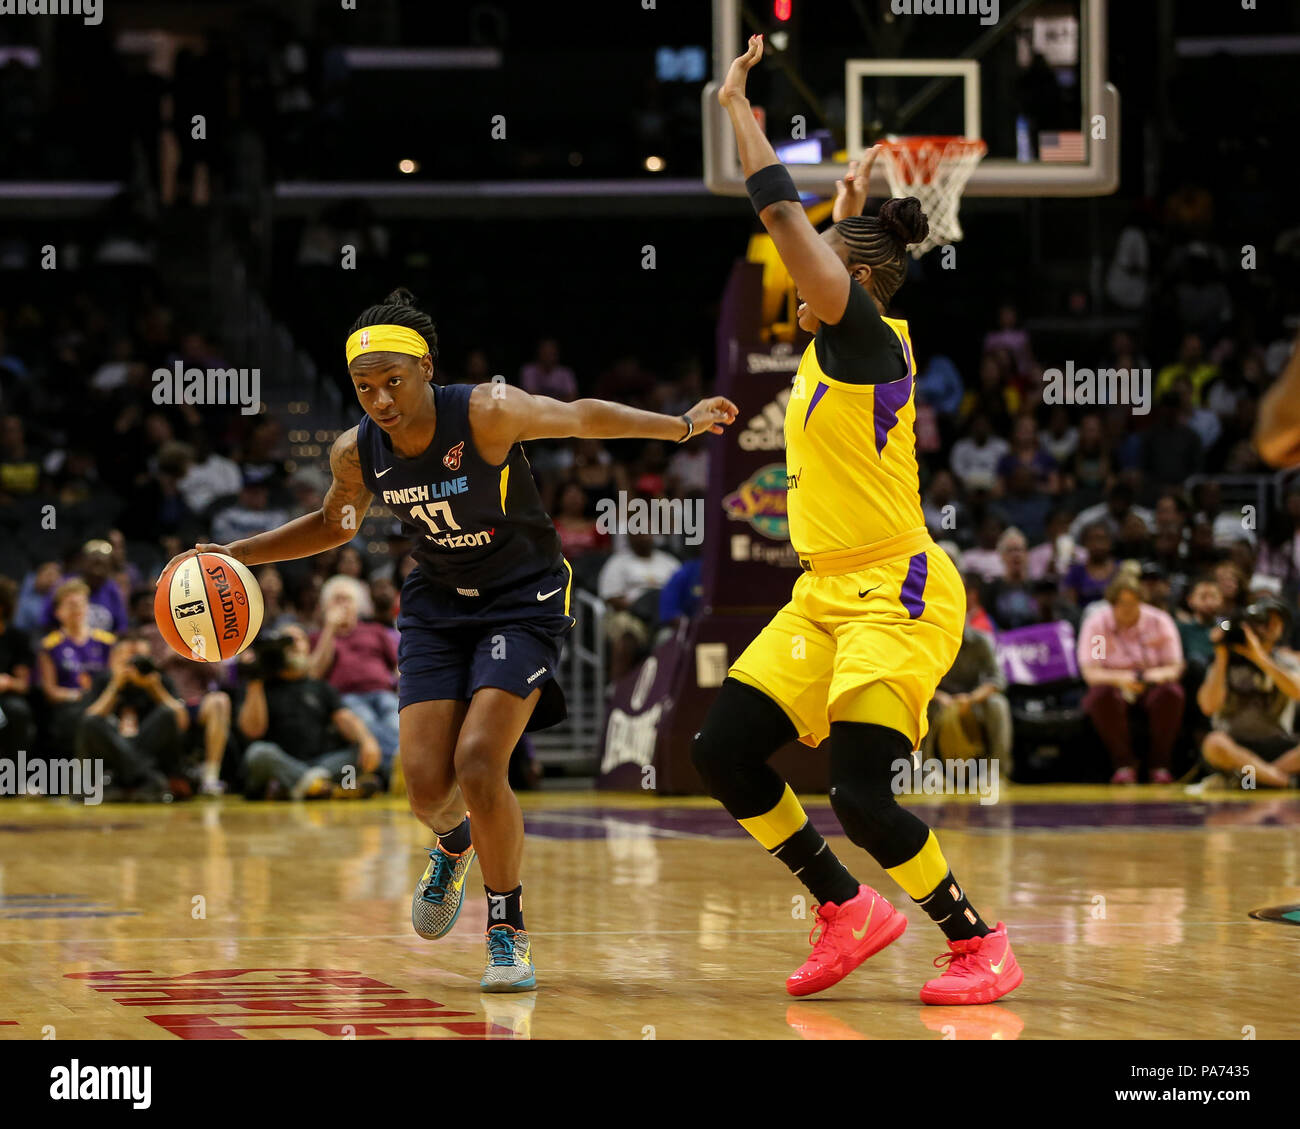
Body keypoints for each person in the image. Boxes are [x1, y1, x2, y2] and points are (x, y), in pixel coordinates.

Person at [163, 287, 735, 993]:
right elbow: (336, 525)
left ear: (427, 367)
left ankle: (507, 928)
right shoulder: (356, 451)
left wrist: (680, 425)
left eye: (393, 382)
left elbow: (580, 415)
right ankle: (453, 844)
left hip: (521, 599)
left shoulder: (488, 412)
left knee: (478, 761)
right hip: (436, 604)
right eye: (365, 387)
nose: (379, 399)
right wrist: (239, 553)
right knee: (426, 788)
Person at [692, 36, 1022, 1010]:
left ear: (856, 286)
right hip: (825, 590)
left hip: (898, 588)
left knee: (862, 794)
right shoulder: (838, 336)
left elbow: (781, 215)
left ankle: (979, 941)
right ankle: (845, 906)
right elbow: (823, 234)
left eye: (820, 267)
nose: (797, 277)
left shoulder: (864, 335)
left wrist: (734, 104)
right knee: (723, 749)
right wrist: (854, 198)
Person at [237, 625, 383, 801]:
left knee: (359, 753)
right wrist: (256, 679)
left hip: (320, 763)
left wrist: (366, 739)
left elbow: (345, 718)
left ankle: (306, 786)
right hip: (281, 763)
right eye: (287, 641)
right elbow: (253, 731)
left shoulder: (320, 687)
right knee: (258, 753)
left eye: (299, 639)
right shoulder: (262, 686)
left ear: (308, 648)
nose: (294, 645)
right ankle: (337, 787)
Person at [1078, 574, 1186, 783]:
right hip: (1116, 686)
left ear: (1141, 601)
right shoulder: (1099, 627)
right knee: (1100, 695)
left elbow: (1174, 666)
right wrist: (1123, 679)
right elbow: (1093, 672)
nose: (1127, 608)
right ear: (1111, 603)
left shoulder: (1158, 622)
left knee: (1172, 692)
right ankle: (1124, 765)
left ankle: (1160, 766)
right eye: (1121, 603)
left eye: (1133, 603)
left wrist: (1149, 678)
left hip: (1152, 683)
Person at [1197, 598, 1300, 788]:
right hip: (1236, 745)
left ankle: (1250, 780)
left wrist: (1259, 657)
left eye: (1276, 622)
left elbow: (1297, 691)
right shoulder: (1225, 662)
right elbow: (1208, 706)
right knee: (1214, 744)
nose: (1269, 627)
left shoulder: (1286, 661)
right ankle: (1279, 781)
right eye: (1264, 621)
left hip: (1278, 744)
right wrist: (1221, 656)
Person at [76, 632, 191, 801]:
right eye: (128, 660)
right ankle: (146, 778)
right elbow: (88, 722)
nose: (133, 667)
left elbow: (181, 722)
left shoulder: (159, 681)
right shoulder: (103, 681)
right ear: (114, 659)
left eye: (140, 660)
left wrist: (155, 688)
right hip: (114, 751)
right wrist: (115, 686)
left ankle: (128, 780)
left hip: (148, 748)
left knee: (168, 713)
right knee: (92, 722)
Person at [308, 574, 400, 780]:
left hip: (383, 692)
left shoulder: (375, 630)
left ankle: (395, 770)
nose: (342, 605)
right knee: (368, 724)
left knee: (396, 723)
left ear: (358, 605)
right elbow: (314, 673)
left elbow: (398, 665)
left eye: (347, 599)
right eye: (336, 599)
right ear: (326, 606)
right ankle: (398, 772)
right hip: (347, 698)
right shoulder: (318, 637)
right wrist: (330, 629)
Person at [37, 579, 115, 758]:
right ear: (58, 612)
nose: (77, 609)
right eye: (71, 605)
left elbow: (113, 680)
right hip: (70, 707)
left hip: (103, 703)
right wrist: (79, 695)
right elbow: (51, 692)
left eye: (81, 604)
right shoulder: (50, 645)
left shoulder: (106, 641)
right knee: (82, 718)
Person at [597, 531, 680, 682]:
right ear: (629, 537)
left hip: (665, 614)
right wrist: (642, 607)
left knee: (683, 630)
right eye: (638, 534)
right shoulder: (618, 562)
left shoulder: (669, 562)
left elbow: (681, 594)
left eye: (647, 533)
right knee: (626, 633)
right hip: (631, 613)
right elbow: (611, 597)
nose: (644, 537)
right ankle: (617, 688)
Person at [0, 576, 34, 761]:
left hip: (6, 698)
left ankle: (15, 778)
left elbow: (23, 685)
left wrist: (8, 681)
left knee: (17, 711)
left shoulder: (17, 638)